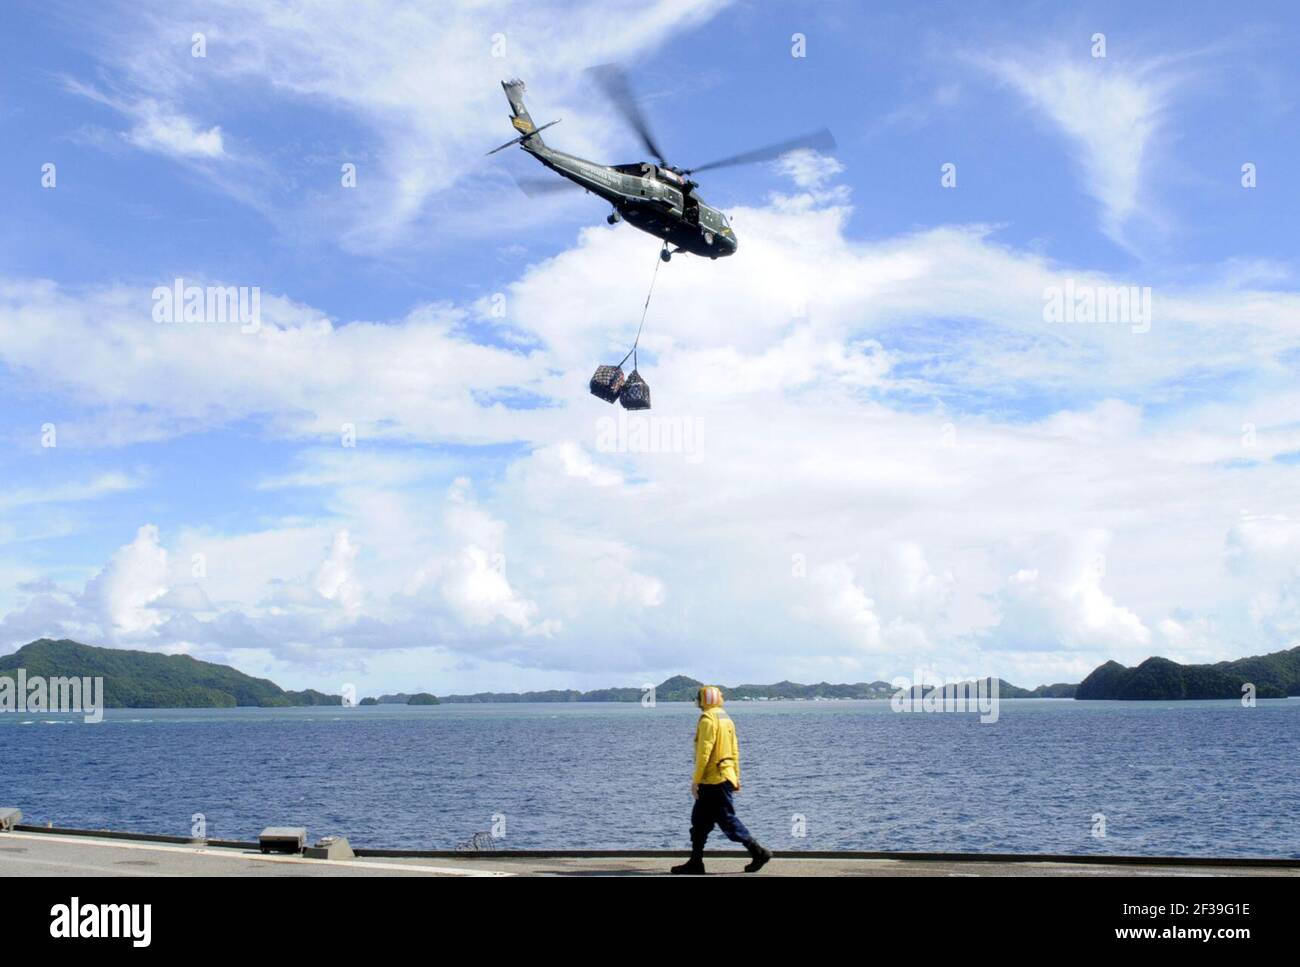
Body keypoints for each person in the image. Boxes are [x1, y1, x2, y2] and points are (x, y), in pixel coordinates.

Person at [671, 685, 772, 875]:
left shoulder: (708, 720)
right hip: (724, 776)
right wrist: (736, 777)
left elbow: (704, 753)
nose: (697, 701)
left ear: (705, 700)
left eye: (699, 698)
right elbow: (735, 751)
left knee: (726, 819)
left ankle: (758, 852)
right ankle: (695, 863)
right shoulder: (726, 718)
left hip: (713, 779)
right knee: (700, 822)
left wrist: (695, 781)